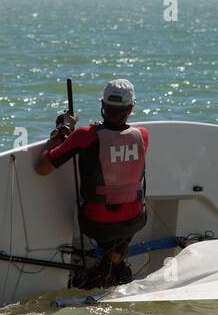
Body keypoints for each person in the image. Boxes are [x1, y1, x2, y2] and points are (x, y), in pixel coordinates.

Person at [35, 79, 148, 288]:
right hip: (134, 220)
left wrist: (62, 130)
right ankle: (112, 262)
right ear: (130, 109)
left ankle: (106, 267)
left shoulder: (85, 135)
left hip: (95, 224)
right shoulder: (142, 135)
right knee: (124, 223)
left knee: (104, 222)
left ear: (102, 105)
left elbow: (42, 168)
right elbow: (115, 141)